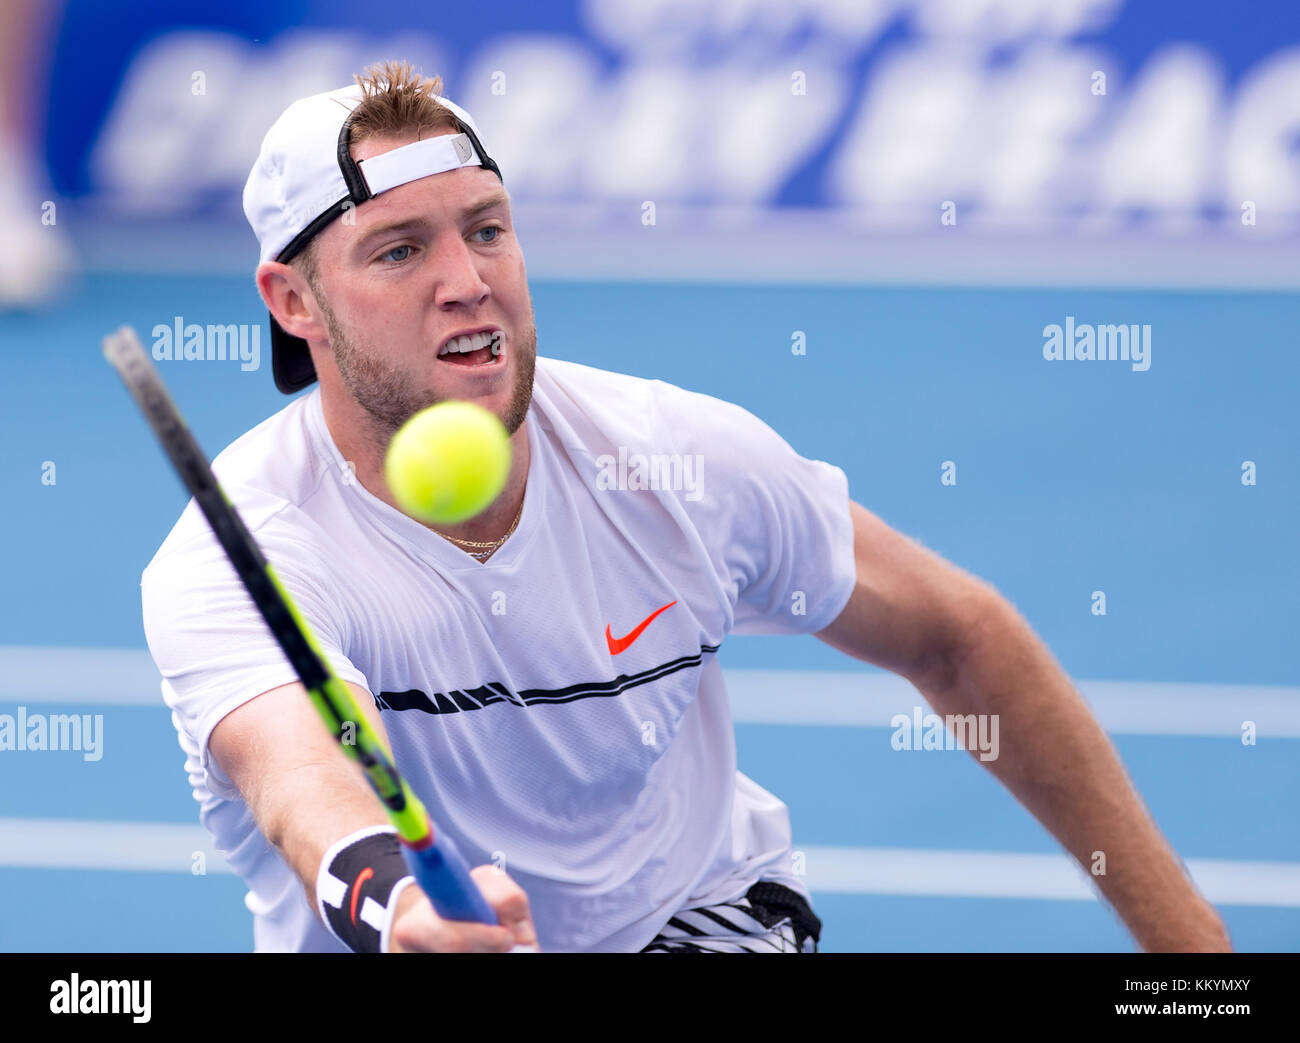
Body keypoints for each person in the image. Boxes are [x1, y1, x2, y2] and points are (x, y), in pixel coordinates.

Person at [142, 61, 1231, 954]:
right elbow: (299, 776)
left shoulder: (673, 461)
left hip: (685, 920)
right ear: (294, 302)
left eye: (486, 229)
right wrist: (400, 906)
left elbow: (960, 637)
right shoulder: (242, 550)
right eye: (399, 249)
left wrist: (1193, 956)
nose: (468, 281)